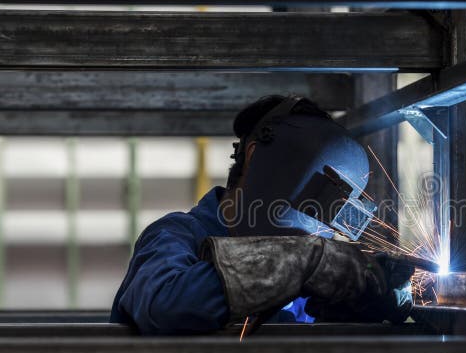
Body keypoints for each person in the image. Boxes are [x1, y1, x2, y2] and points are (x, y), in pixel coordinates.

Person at [110, 95, 413, 334]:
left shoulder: (307, 273)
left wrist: (367, 301)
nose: (318, 230)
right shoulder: (175, 235)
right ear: (254, 156)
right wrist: (303, 261)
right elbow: (166, 305)